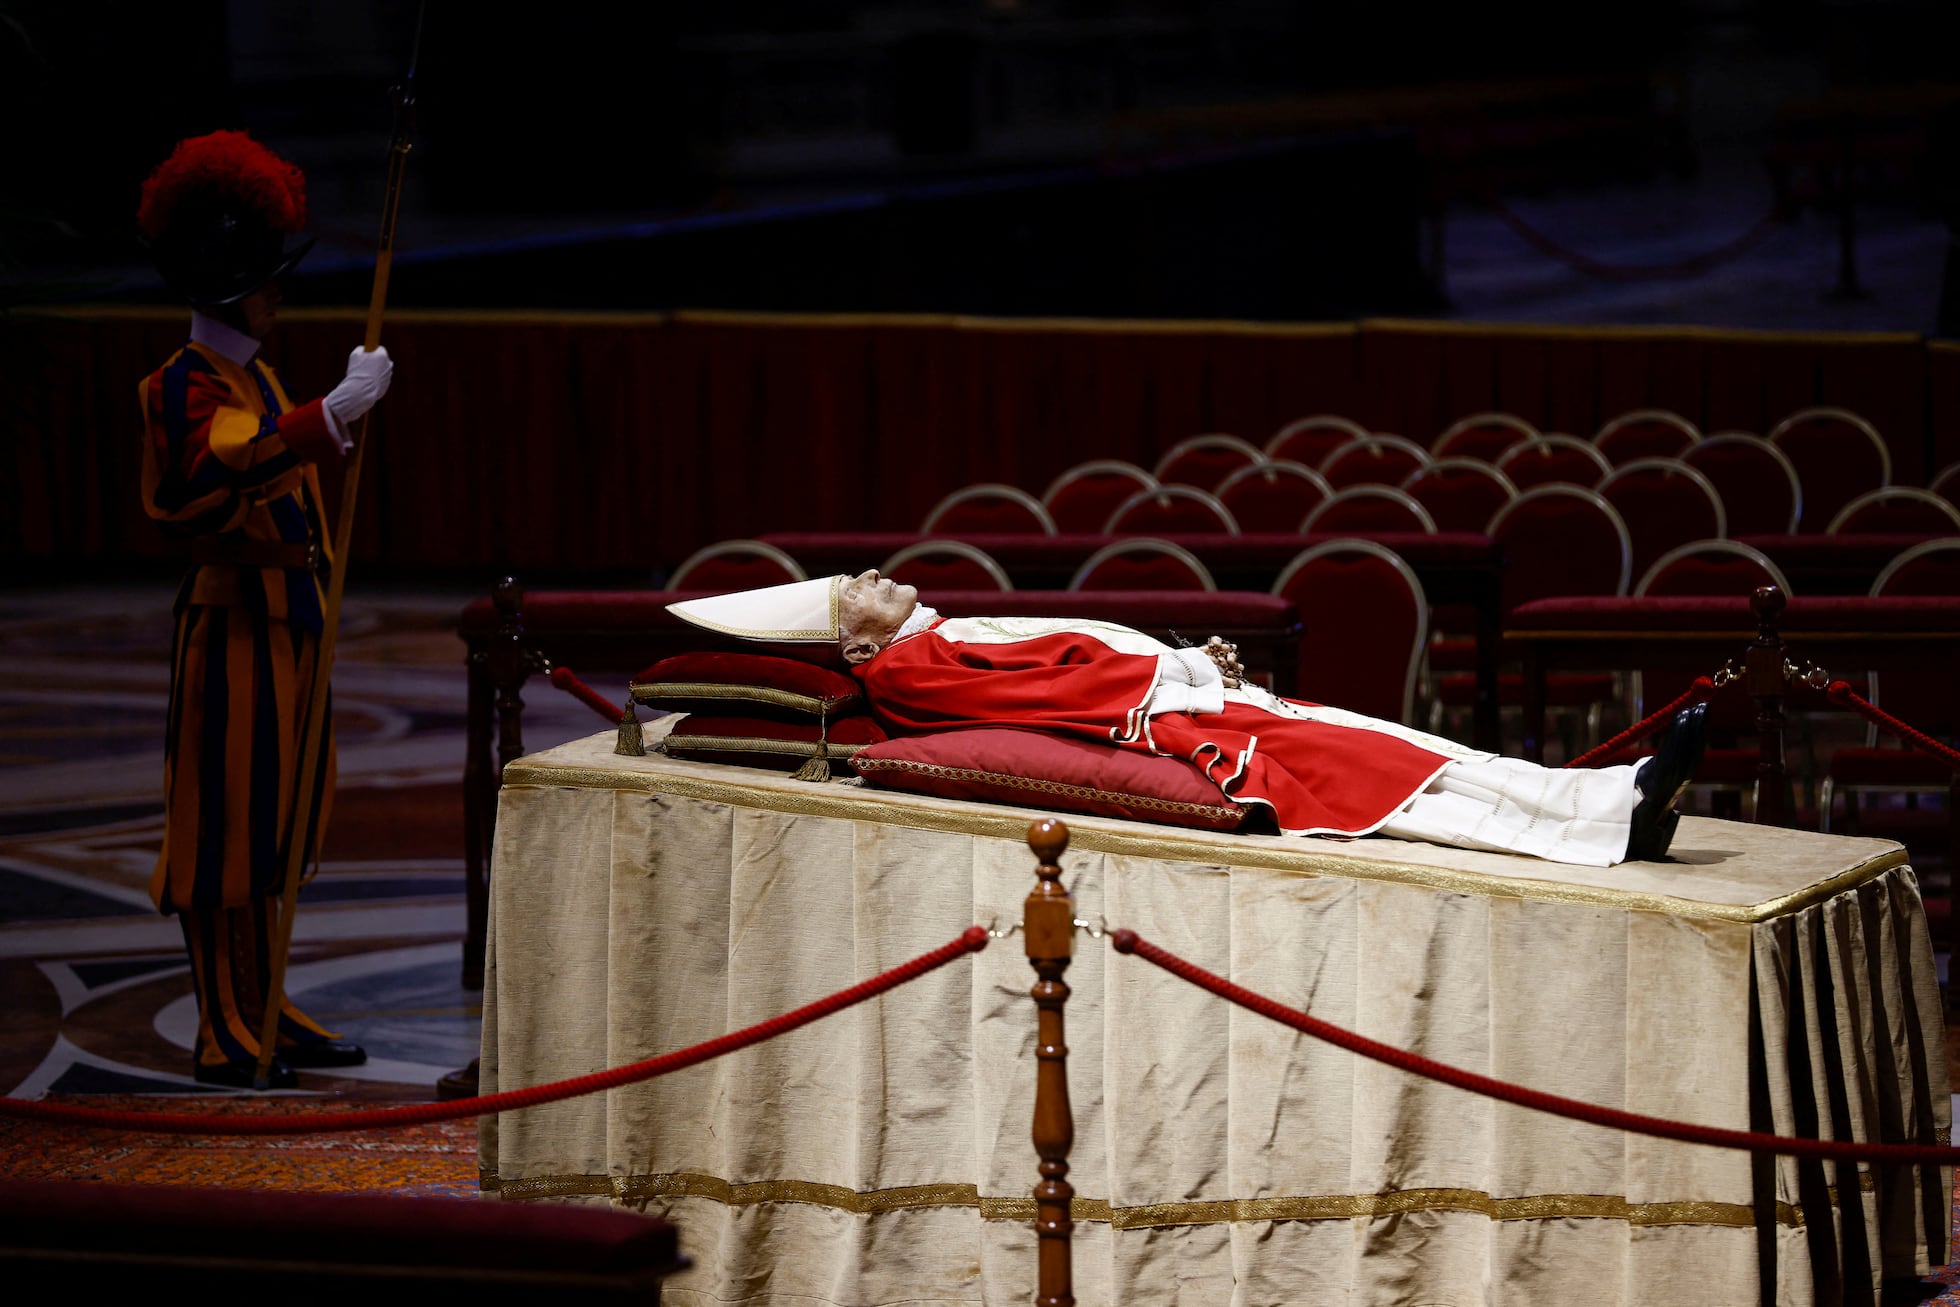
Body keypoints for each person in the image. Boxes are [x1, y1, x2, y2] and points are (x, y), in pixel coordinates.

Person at [670, 570, 1708, 867]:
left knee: (1407, 746)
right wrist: (1169, 684)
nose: (876, 578)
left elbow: (1070, 642)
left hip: (1178, 695)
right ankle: (1602, 821)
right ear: (851, 645)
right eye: (857, 589)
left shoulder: (931, 627)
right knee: (1387, 782)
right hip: (1171, 726)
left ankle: (1608, 801)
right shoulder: (912, 667)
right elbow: (1035, 692)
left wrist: (1174, 661)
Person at [136, 131, 392, 1086]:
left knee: (282, 825)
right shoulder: (181, 385)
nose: (280, 291)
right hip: (232, 627)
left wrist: (329, 420)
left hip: (287, 623)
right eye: (266, 277)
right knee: (223, 832)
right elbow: (206, 478)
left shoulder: (259, 377)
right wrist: (329, 417)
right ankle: (222, 1024)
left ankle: (264, 996)